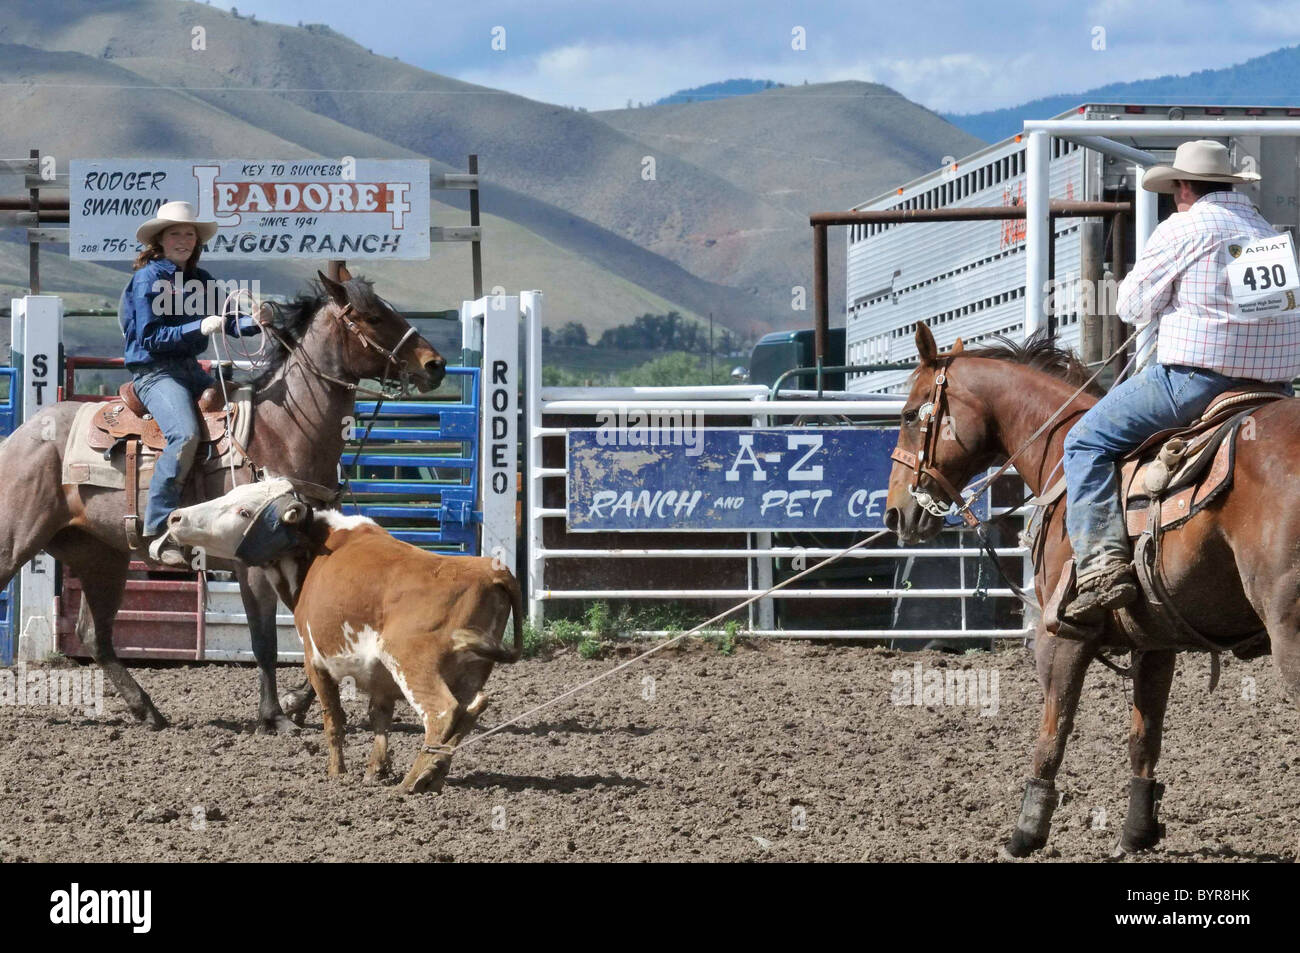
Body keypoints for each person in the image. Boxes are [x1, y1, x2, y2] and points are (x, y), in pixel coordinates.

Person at [1061, 140, 1300, 625]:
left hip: (1195, 382)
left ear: (1183, 187)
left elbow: (1130, 305)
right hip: (1275, 389)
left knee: (1084, 441)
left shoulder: (1185, 227)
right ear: (1228, 184)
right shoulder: (1266, 232)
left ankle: (1102, 564)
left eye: (1174, 189)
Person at [119, 201, 262, 566]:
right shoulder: (148, 279)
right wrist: (196, 327)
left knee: (252, 411)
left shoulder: (201, 281)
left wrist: (259, 320)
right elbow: (150, 336)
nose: (183, 239)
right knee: (183, 434)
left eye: (189, 234)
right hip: (155, 372)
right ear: (160, 241)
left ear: (196, 242)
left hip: (190, 371)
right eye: (175, 233)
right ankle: (157, 528)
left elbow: (230, 321)